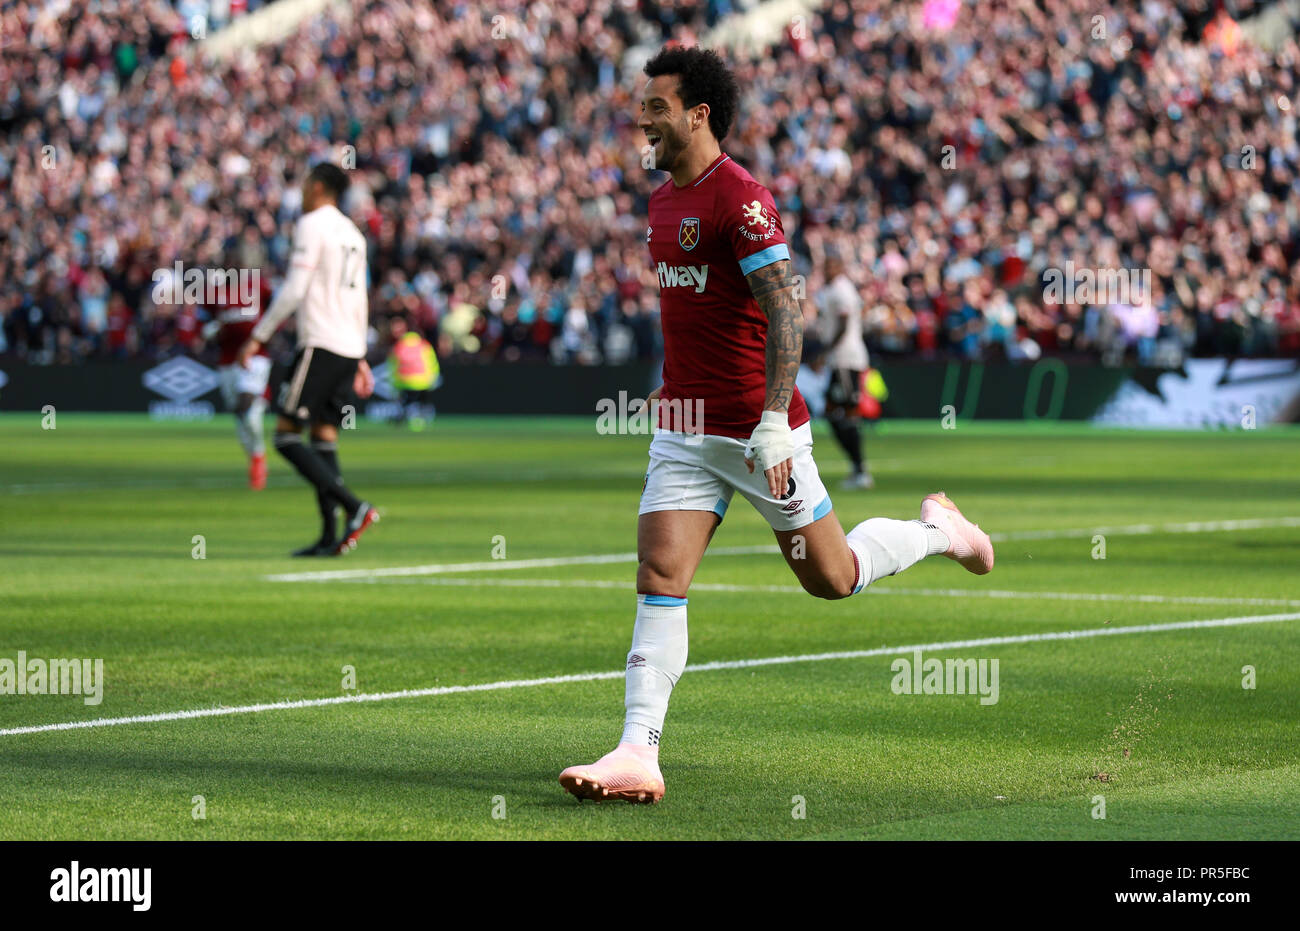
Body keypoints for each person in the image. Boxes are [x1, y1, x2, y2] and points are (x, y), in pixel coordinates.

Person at [558, 47, 995, 804]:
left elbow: (785, 310)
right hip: (685, 429)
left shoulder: (744, 199)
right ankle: (638, 751)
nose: (641, 118)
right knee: (660, 575)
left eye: (656, 106)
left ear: (697, 114)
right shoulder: (662, 197)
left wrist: (771, 419)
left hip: (762, 435)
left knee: (833, 578)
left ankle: (939, 530)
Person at [237, 162, 380, 557]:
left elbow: (296, 287)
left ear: (318, 188)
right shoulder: (353, 233)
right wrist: (362, 356)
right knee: (323, 439)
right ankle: (328, 537)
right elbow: (359, 298)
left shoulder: (312, 223)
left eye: (304, 184)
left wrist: (259, 336)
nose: (300, 191)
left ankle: (355, 507)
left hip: (320, 342)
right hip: (348, 345)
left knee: (284, 435)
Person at [205, 266, 273, 489]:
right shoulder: (216, 293)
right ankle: (255, 457)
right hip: (227, 361)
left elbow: (275, 309)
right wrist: (211, 330)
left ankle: (259, 458)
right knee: (239, 413)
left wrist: (269, 333)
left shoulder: (259, 286)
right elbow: (209, 318)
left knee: (247, 408)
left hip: (255, 357)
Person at [819, 253, 873, 488]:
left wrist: (826, 349)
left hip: (845, 358)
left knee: (848, 411)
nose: (827, 270)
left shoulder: (841, 289)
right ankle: (857, 466)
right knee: (833, 410)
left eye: (831, 265)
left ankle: (860, 469)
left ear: (840, 268)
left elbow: (844, 322)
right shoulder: (836, 289)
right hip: (839, 359)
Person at [386, 315, 439, 430]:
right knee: (421, 403)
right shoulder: (424, 345)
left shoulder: (399, 346)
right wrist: (433, 378)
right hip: (423, 381)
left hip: (405, 381)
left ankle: (403, 418)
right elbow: (432, 363)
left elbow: (392, 365)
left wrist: (394, 383)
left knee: (405, 403)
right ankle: (421, 420)